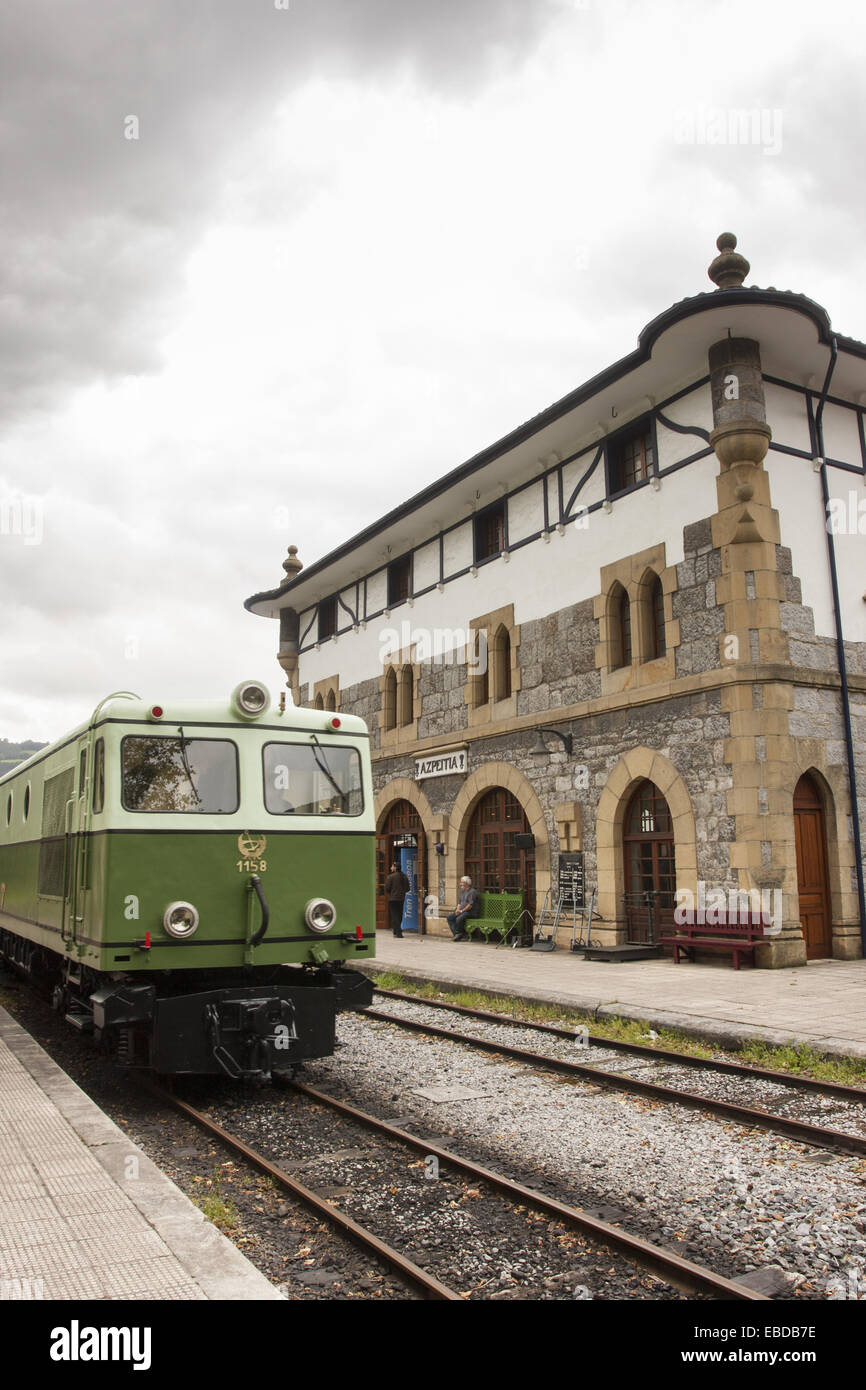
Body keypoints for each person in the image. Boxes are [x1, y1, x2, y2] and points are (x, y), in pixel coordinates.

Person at [447, 875, 480, 941]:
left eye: (462, 882)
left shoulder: (472, 892)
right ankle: (457, 934)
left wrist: (461, 911)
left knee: (459, 918)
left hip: (470, 912)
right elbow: (459, 903)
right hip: (462, 911)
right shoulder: (462, 891)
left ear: (466, 883)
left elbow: (470, 905)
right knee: (450, 917)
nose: (460, 884)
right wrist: (457, 910)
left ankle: (459, 934)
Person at [384, 861, 410, 937]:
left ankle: (398, 932)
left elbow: (387, 888)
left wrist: (391, 893)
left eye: (392, 866)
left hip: (393, 899)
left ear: (395, 867)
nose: (390, 868)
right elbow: (407, 888)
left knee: (394, 915)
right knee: (399, 915)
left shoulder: (390, 877)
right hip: (401, 898)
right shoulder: (404, 876)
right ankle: (396, 931)